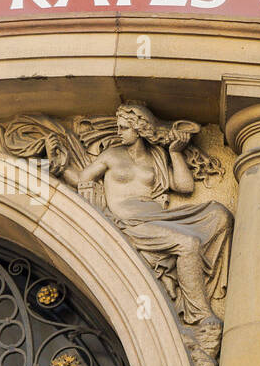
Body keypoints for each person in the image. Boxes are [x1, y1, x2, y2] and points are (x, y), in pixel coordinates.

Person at [64, 104, 231, 325]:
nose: (119, 132)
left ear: (139, 129)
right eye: (119, 127)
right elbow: (81, 179)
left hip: (159, 218)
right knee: (188, 244)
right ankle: (200, 314)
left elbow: (185, 186)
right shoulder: (111, 156)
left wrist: (175, 152)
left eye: (124, 128)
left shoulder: (157, 158)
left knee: (220, 214)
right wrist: (58, 166)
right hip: (129, 222)